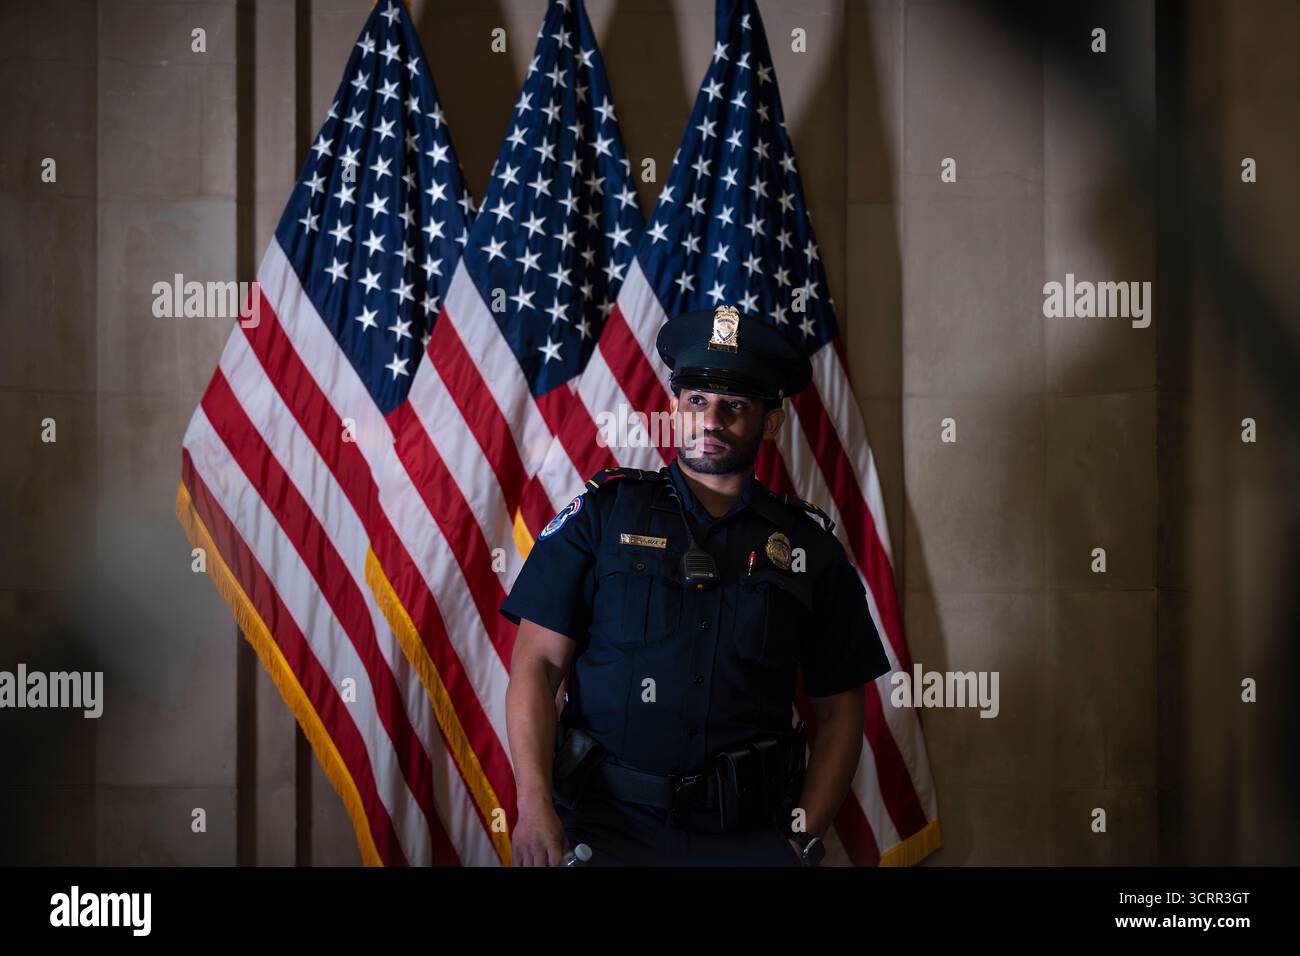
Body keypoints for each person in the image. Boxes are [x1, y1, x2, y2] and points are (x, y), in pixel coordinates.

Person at [502, 305, 892, 866]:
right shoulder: (603, 516)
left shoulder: (810, 548)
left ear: (770, 422)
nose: (711, 421)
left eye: (734, 406)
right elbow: (536, 667)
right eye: (697, 401)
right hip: (604, 825)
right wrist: (534, 806)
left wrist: (803, 835)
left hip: (749, 836)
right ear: (675, 408)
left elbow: (840, 711)